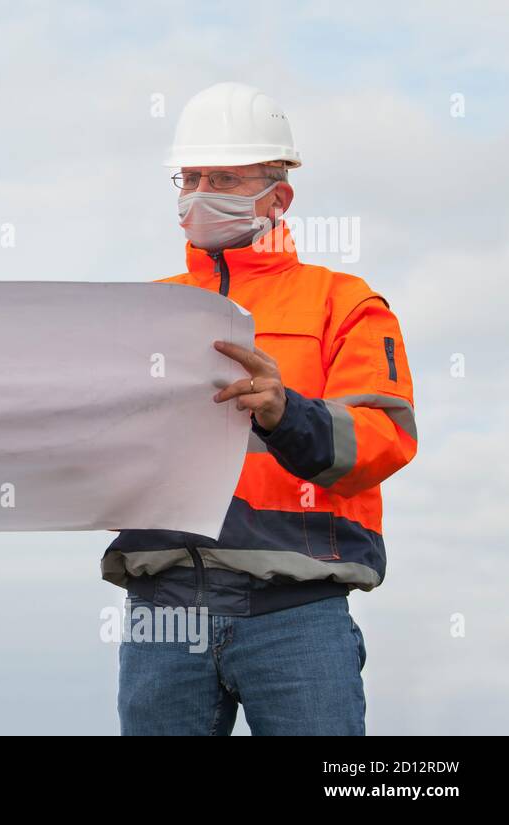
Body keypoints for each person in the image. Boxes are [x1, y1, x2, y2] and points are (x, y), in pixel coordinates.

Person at [104, 83, 418, 735]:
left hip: (296, 608)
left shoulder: (345, 304)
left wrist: (284, 412)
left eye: (223, 175)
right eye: (189, 175)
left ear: (279, 196)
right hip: (163, 611)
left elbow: (383, 438)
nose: (199, 189)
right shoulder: (144, 312)